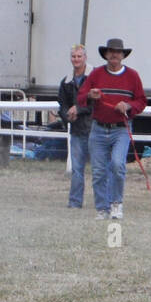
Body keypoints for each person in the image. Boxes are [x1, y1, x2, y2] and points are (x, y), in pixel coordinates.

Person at [78, 37, 146, 220]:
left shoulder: (132, 76)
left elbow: (141, 101)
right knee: (98, 171)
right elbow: (81, 97)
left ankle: (116, 204)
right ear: (106, 54)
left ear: (123, 55)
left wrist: (129, 106)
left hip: (121, 129)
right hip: (98, 128)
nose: (114, 55)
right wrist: (91, 96)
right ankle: (102, 208)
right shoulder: (96, 74)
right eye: (111, 52)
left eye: (118, 52)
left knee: (117, 164)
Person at [58, 44, 92, 209]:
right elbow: (62, 104)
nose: (76, 59)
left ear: (85, 57)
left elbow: (97, 103)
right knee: (77, 169)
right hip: (77, 130)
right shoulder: (66, 81)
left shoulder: (94, 78)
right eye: (73, 56)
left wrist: (78, 109)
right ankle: (75, 202)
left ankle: (106, 202)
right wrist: (67, 115)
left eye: (79, 56)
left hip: (96, 129)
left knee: (101, 169)